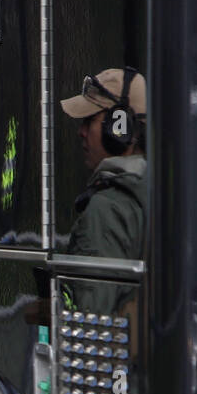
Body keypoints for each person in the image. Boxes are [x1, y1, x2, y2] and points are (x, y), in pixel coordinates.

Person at [60, 67, 147, 262]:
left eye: (90, 120)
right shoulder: (161, 195)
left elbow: (92, 292)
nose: (81, 132)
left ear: (120, 128)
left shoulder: (106, 212)